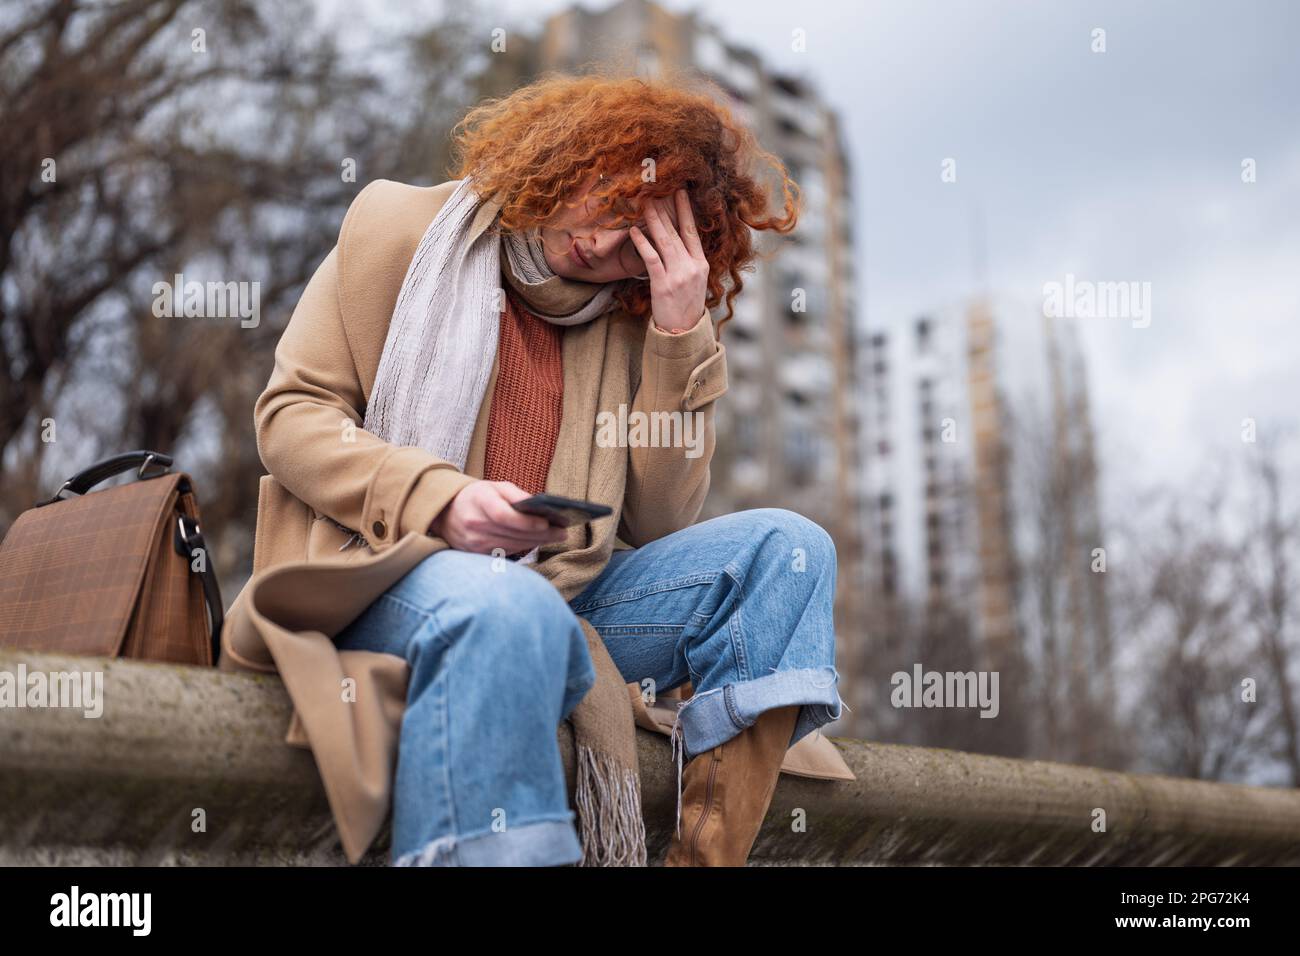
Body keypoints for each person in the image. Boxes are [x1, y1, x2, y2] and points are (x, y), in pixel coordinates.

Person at [260, 71, 845, 866]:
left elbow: (662, 524)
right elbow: (292, 417)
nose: (604, 248)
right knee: (507, 606)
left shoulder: (632, 320)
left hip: (561, 593)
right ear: (573, 160)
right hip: (379, 571)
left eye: (637, 249)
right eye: (610, 208)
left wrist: (678, 332)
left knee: (791, 548)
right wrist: (441, 502)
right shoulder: (398, 229)